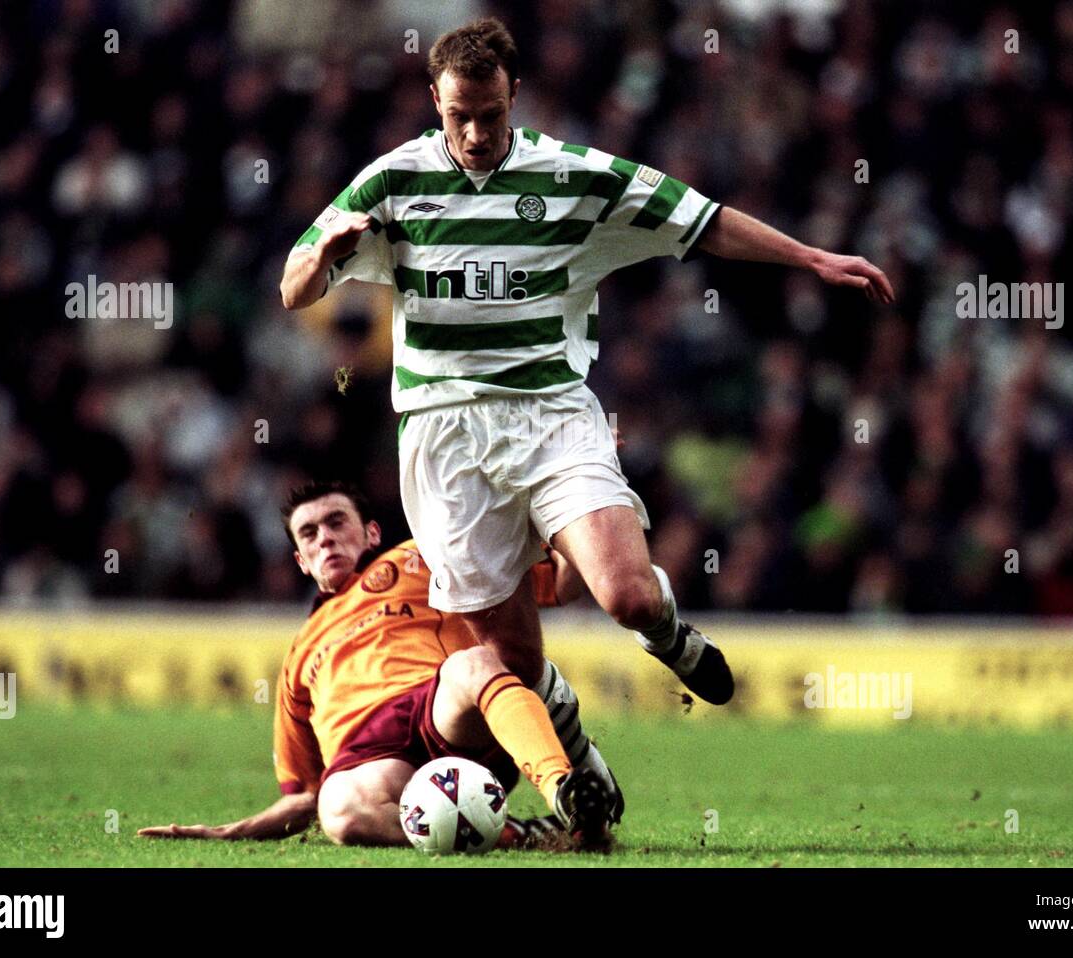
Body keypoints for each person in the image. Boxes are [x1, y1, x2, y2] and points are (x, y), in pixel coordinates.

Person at [280, 19, 894, 745]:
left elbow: (700, 220)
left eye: (491, 115)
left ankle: (666, 631)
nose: (475, 133)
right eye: (458, 117)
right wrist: (327, 257)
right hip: (442, 432)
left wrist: (811, 259)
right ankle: (584, 778)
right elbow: (293, 289)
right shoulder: (390, 181)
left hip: (550, 413)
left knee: (625, 595)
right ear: (433, 100)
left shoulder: (576, 176)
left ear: (516, 94)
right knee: (513, 660)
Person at [138, 480, 613, 849]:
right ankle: (521, 835)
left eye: (336, 522)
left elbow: (561, 584)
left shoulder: (422, 557)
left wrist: (580, 497)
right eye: (309, 533)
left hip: (441, 711)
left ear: (371, 532)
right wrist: (227, 833)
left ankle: (566, 791)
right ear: (301, 561)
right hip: (372, 761)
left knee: (476, 663)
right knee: (338, 809)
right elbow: (303, 793)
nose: (324, 538)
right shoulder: (299, 654)